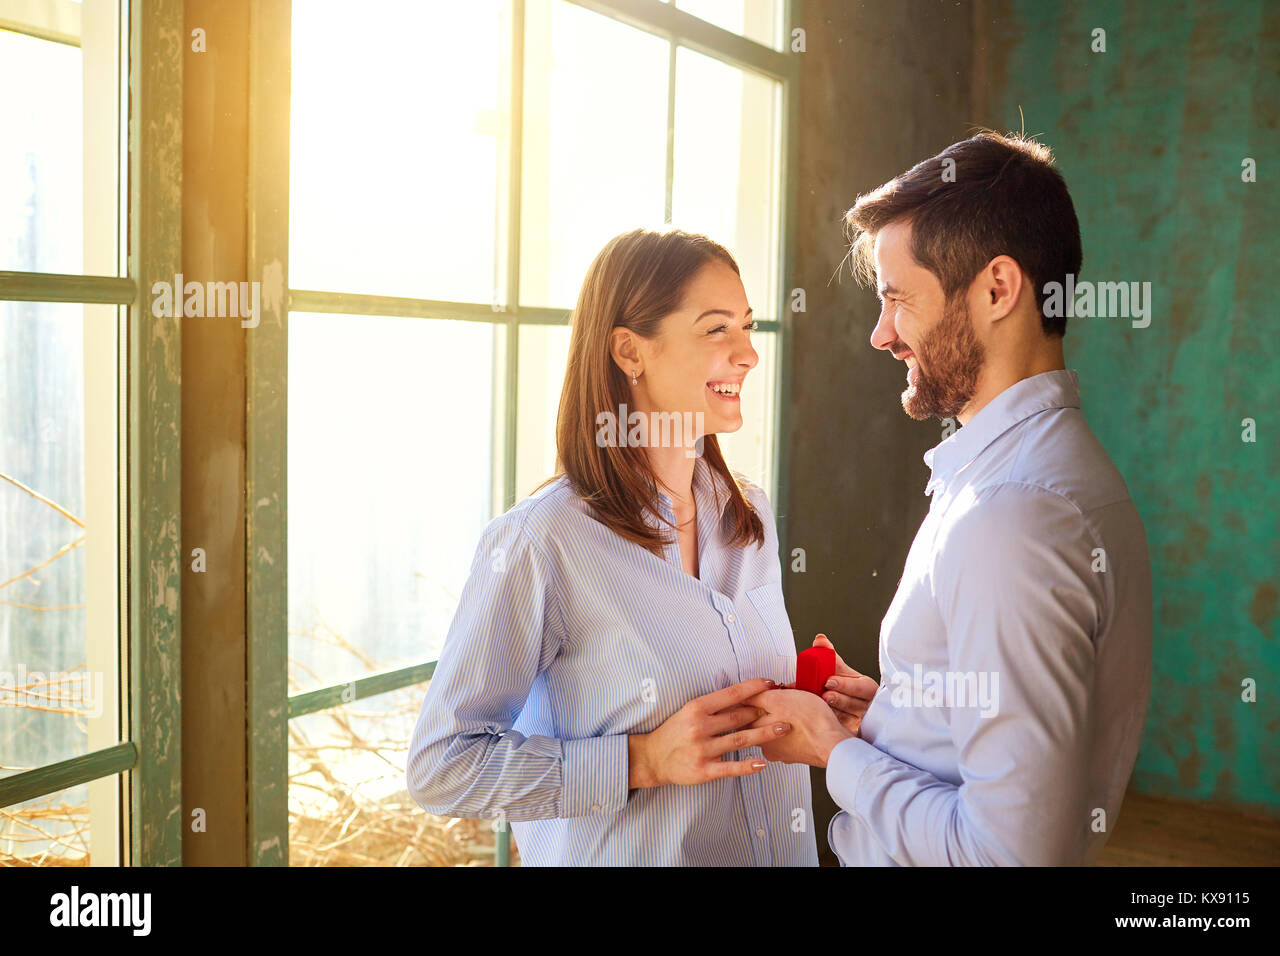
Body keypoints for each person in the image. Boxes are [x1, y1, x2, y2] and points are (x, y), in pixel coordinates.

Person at [748, 131, 1154, 866]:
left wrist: (833, 751)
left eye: (898, 299)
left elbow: (1007, 855)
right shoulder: (1031, 479)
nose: (881, 335)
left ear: (998, 289)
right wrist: (903, 718)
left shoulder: (1016, 514)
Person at [407, 227, 836, 865]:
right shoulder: (543, 542)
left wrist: (805, 698)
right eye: (717, 329)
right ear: (630, 351)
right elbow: (442, 767)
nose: (748, 353)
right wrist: (641, 761)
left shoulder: (747, 514)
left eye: (748, 326)